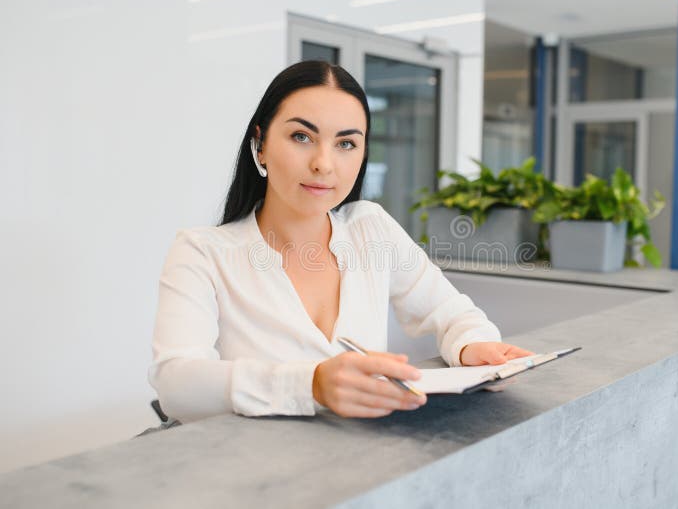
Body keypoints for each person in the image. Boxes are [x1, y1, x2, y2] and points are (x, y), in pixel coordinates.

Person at [147, 60, 534, 424]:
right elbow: (177, 385)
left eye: (346, 143)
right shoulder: (202, 252)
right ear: (260, 144)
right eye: (302, 136)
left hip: (361, 469)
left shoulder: (370, 228)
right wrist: (311, 384)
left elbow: (454, 313)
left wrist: (471, 346)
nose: (323, 164)